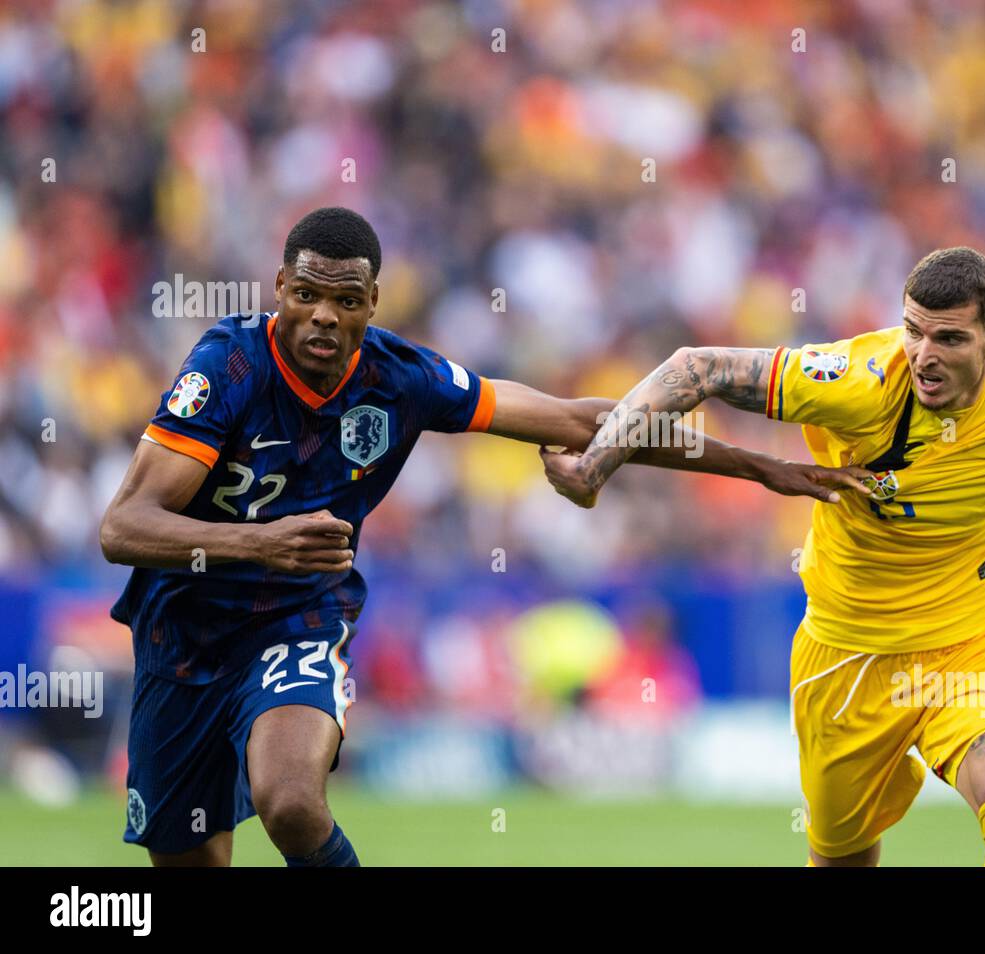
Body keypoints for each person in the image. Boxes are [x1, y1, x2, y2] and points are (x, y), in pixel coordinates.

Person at [99, 206, 865, 867]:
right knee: (188, 854)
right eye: (305, 295)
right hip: (183, 637)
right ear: (279, 291)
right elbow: (123, 526)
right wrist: (257, 544)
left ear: (372, 303)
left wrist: (762, 467)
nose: (322, 316)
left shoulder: (405, 379)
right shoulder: (227, 368)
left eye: (343, 299)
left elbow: (581, 420)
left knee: (291, 801)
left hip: (294, 621)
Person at [540, 246, 985, 867]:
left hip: (968, 643)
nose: (923, 354)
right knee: (843, 857)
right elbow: (694, 366)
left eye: (948, 338)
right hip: (846, 658)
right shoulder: (856, 380)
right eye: (914, 331)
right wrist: (597, 465)